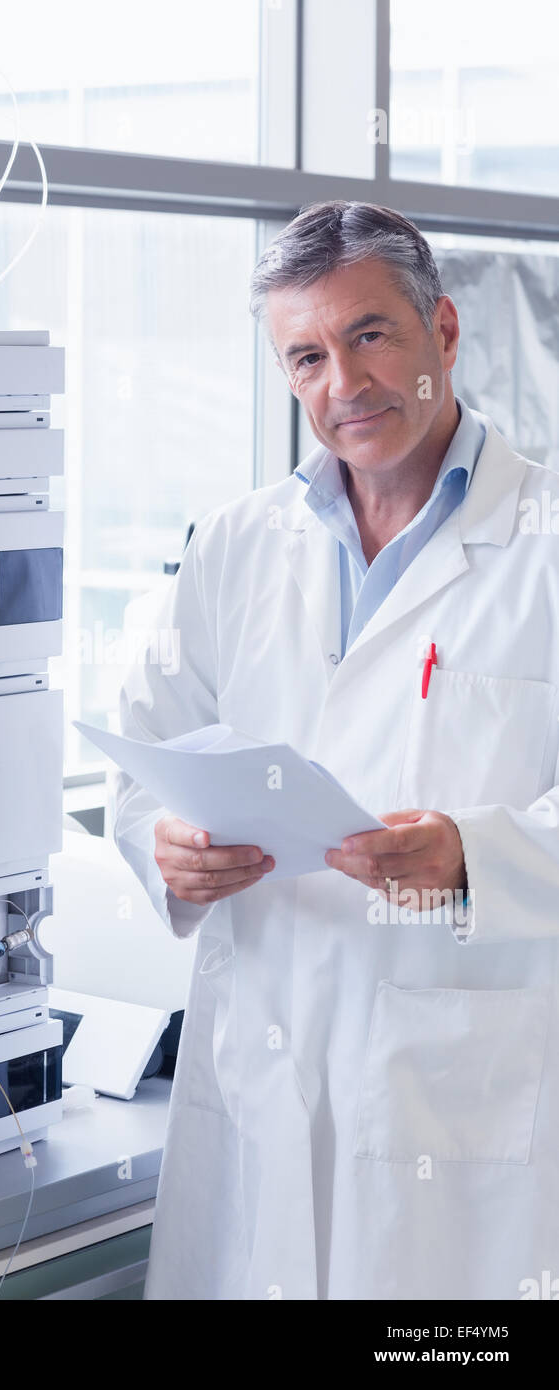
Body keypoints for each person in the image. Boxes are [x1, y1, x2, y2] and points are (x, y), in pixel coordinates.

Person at [113, 201, 559, 1301]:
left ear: (441, 333)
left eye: (368, 336)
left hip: (462, 1098)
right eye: (303, 355)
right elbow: (142, 755)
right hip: (258, 1069)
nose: (340, 384)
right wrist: (162, 842)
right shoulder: (232, 544)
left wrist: (474, 853)